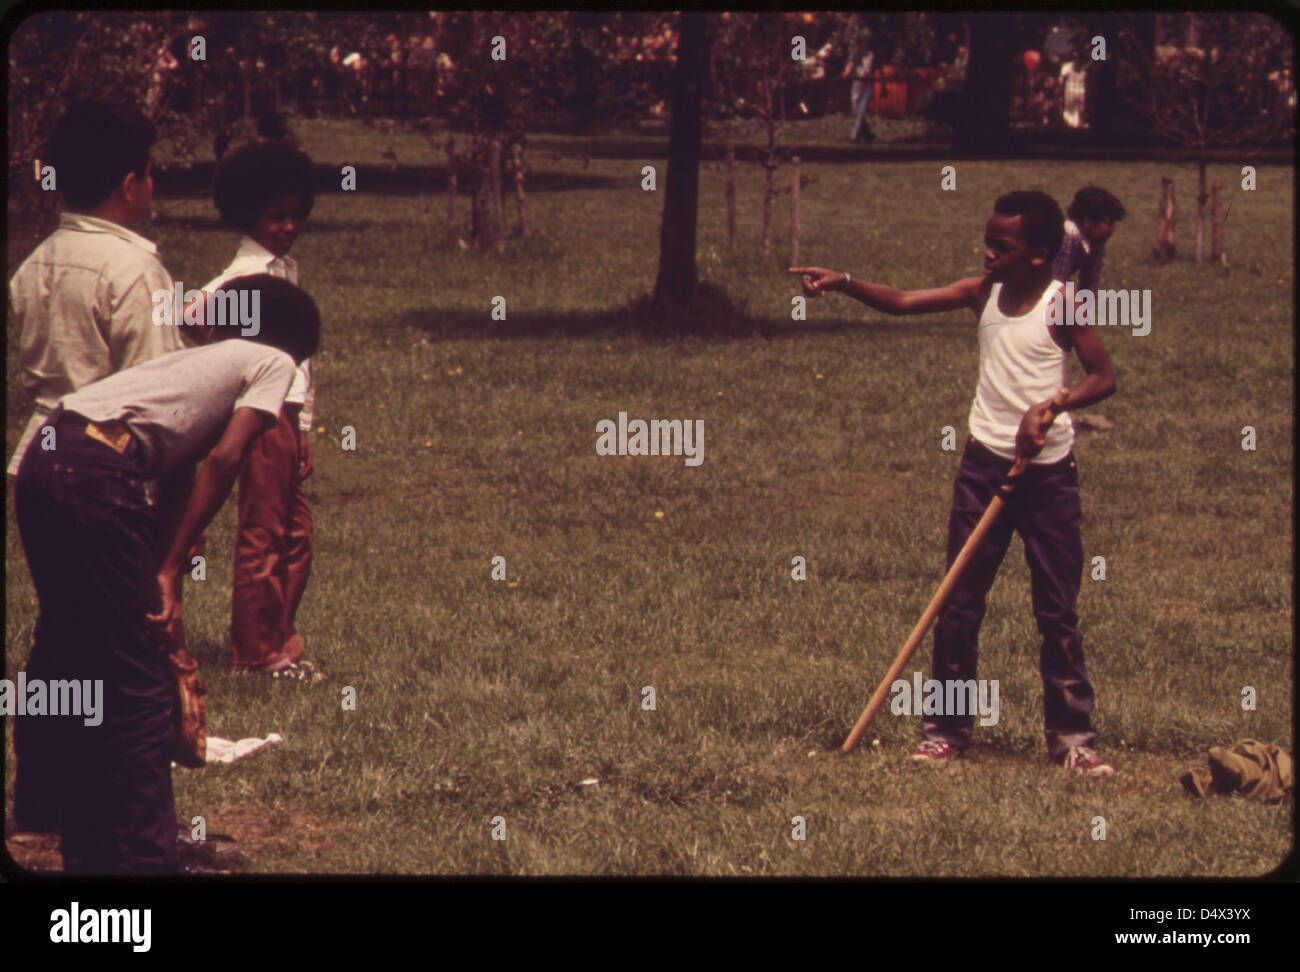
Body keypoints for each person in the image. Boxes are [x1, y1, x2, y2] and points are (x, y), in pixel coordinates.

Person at [789, 190, 1117, 777]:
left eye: (1001, 245)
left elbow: (1104, 377)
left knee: (1056, 610)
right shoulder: (982, 293)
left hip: (1047, 478)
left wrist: (1052, 404)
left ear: (1039, 255)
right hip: (984, 466)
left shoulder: (1062, 306)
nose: (988, 253)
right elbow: (906, 300)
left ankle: (1072, 740)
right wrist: (843, 281)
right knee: (959, 603)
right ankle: (946, 732)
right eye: (987, 241)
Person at [12, 275, 320, 874]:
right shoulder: (274, 361)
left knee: (66, 648)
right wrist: (172, 571)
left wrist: (158, 569)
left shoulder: (199, 366)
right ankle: (146, 857)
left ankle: (55, 820)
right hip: (97, 470)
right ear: (294, 349)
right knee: (138, 682)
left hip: (47, 455)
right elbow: (227, 459)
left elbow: (179, 476)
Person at [8, 101, 185, 482]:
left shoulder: (35, 262)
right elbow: (157, 396)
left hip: (37, 455)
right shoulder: (137, 271)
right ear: (129, 186)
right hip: (104, 466)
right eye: (149, 175)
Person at [208, 140, 318, 677]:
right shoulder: (243, 275)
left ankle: (278, 637)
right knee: (264, 531)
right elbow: (198, 310)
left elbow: (299, 361)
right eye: (276, 216)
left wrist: (305, 427)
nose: (288, 226)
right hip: (260, 415)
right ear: (250, 213)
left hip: (288, 415)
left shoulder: (284, 269)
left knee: (297, 533)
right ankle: (253, 652)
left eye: (296, 215)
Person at [1053, 185, 1126, 295]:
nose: (1112, 230)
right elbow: (1055, 285)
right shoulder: (1067, 238)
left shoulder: (1094, 242)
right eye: (1109, 223)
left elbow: (1090, 285)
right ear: (1087, 221)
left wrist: (1085, 308)